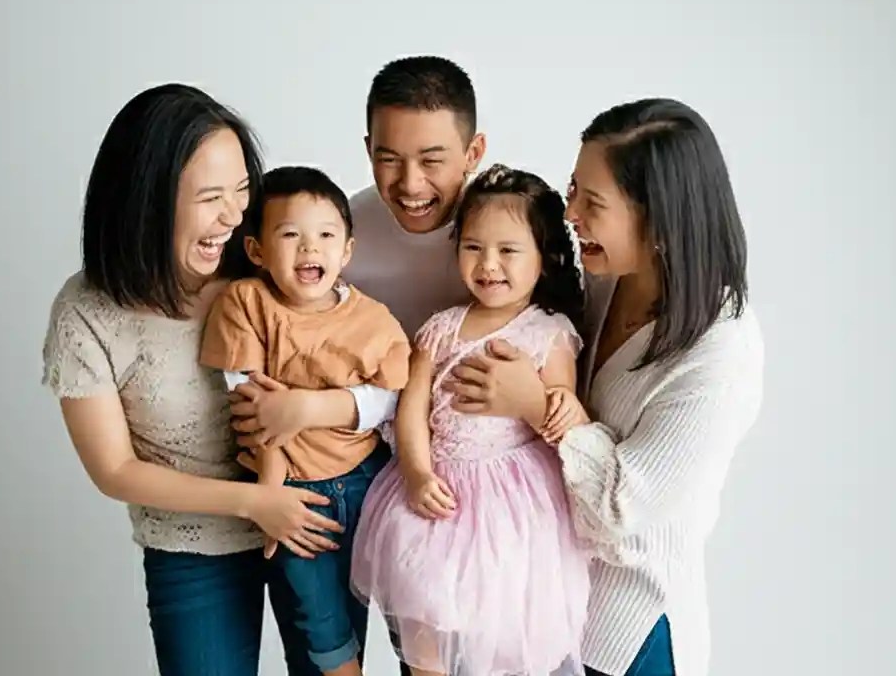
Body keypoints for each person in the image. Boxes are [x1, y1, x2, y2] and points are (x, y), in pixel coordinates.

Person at [443, 98, 766, 676]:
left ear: (659, 220)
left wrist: (537, 405)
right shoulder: (603, 284)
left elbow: (621, 508)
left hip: (627, 635)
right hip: (547, 607)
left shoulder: (720, 355)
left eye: (592, 203)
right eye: (572, 190)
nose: (570, 214)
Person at [40, 83, 340, 676]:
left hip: (311, 512)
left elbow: (365, 357)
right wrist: (255, 502)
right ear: (146, 200)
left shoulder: (268, 262)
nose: (232, 216)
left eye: (241, 192)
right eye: (209, 198)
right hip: (192, 548)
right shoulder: (87, 311)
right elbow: (114, 470)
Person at [227, 55, 487, 676]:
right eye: (389, 158)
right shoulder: (334, 234)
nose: (410, 182)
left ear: (474, 150)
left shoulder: (501, 229)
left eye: (433, 159)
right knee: (325, 644)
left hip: (466, 490)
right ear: (367, 146)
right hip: (340, 470)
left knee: (444, 661)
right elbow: (263, 366)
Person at [351, 165, 591, 676]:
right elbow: (411, 407)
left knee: (503, 632)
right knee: (428, 627)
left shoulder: (549, 333)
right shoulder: (441, 328)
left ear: (543, 258)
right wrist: (416, 472)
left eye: (508, 251)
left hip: (514, 505)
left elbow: (561, 405)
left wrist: (568, 406)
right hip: (439, 491)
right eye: (473, 247)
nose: (488, 264)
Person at [199, 165, 411, 676]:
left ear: (347, 250)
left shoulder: (373, 318)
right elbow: (250, 404)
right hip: (296, 491)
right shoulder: (246, 303)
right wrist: (270, 487)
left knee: (409, 603)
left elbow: (394, 394)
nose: (309, 249)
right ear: (256, 251)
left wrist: (313, 406)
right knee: (321, 620)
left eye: (325, 236)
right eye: (290, 235)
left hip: (370, 480)